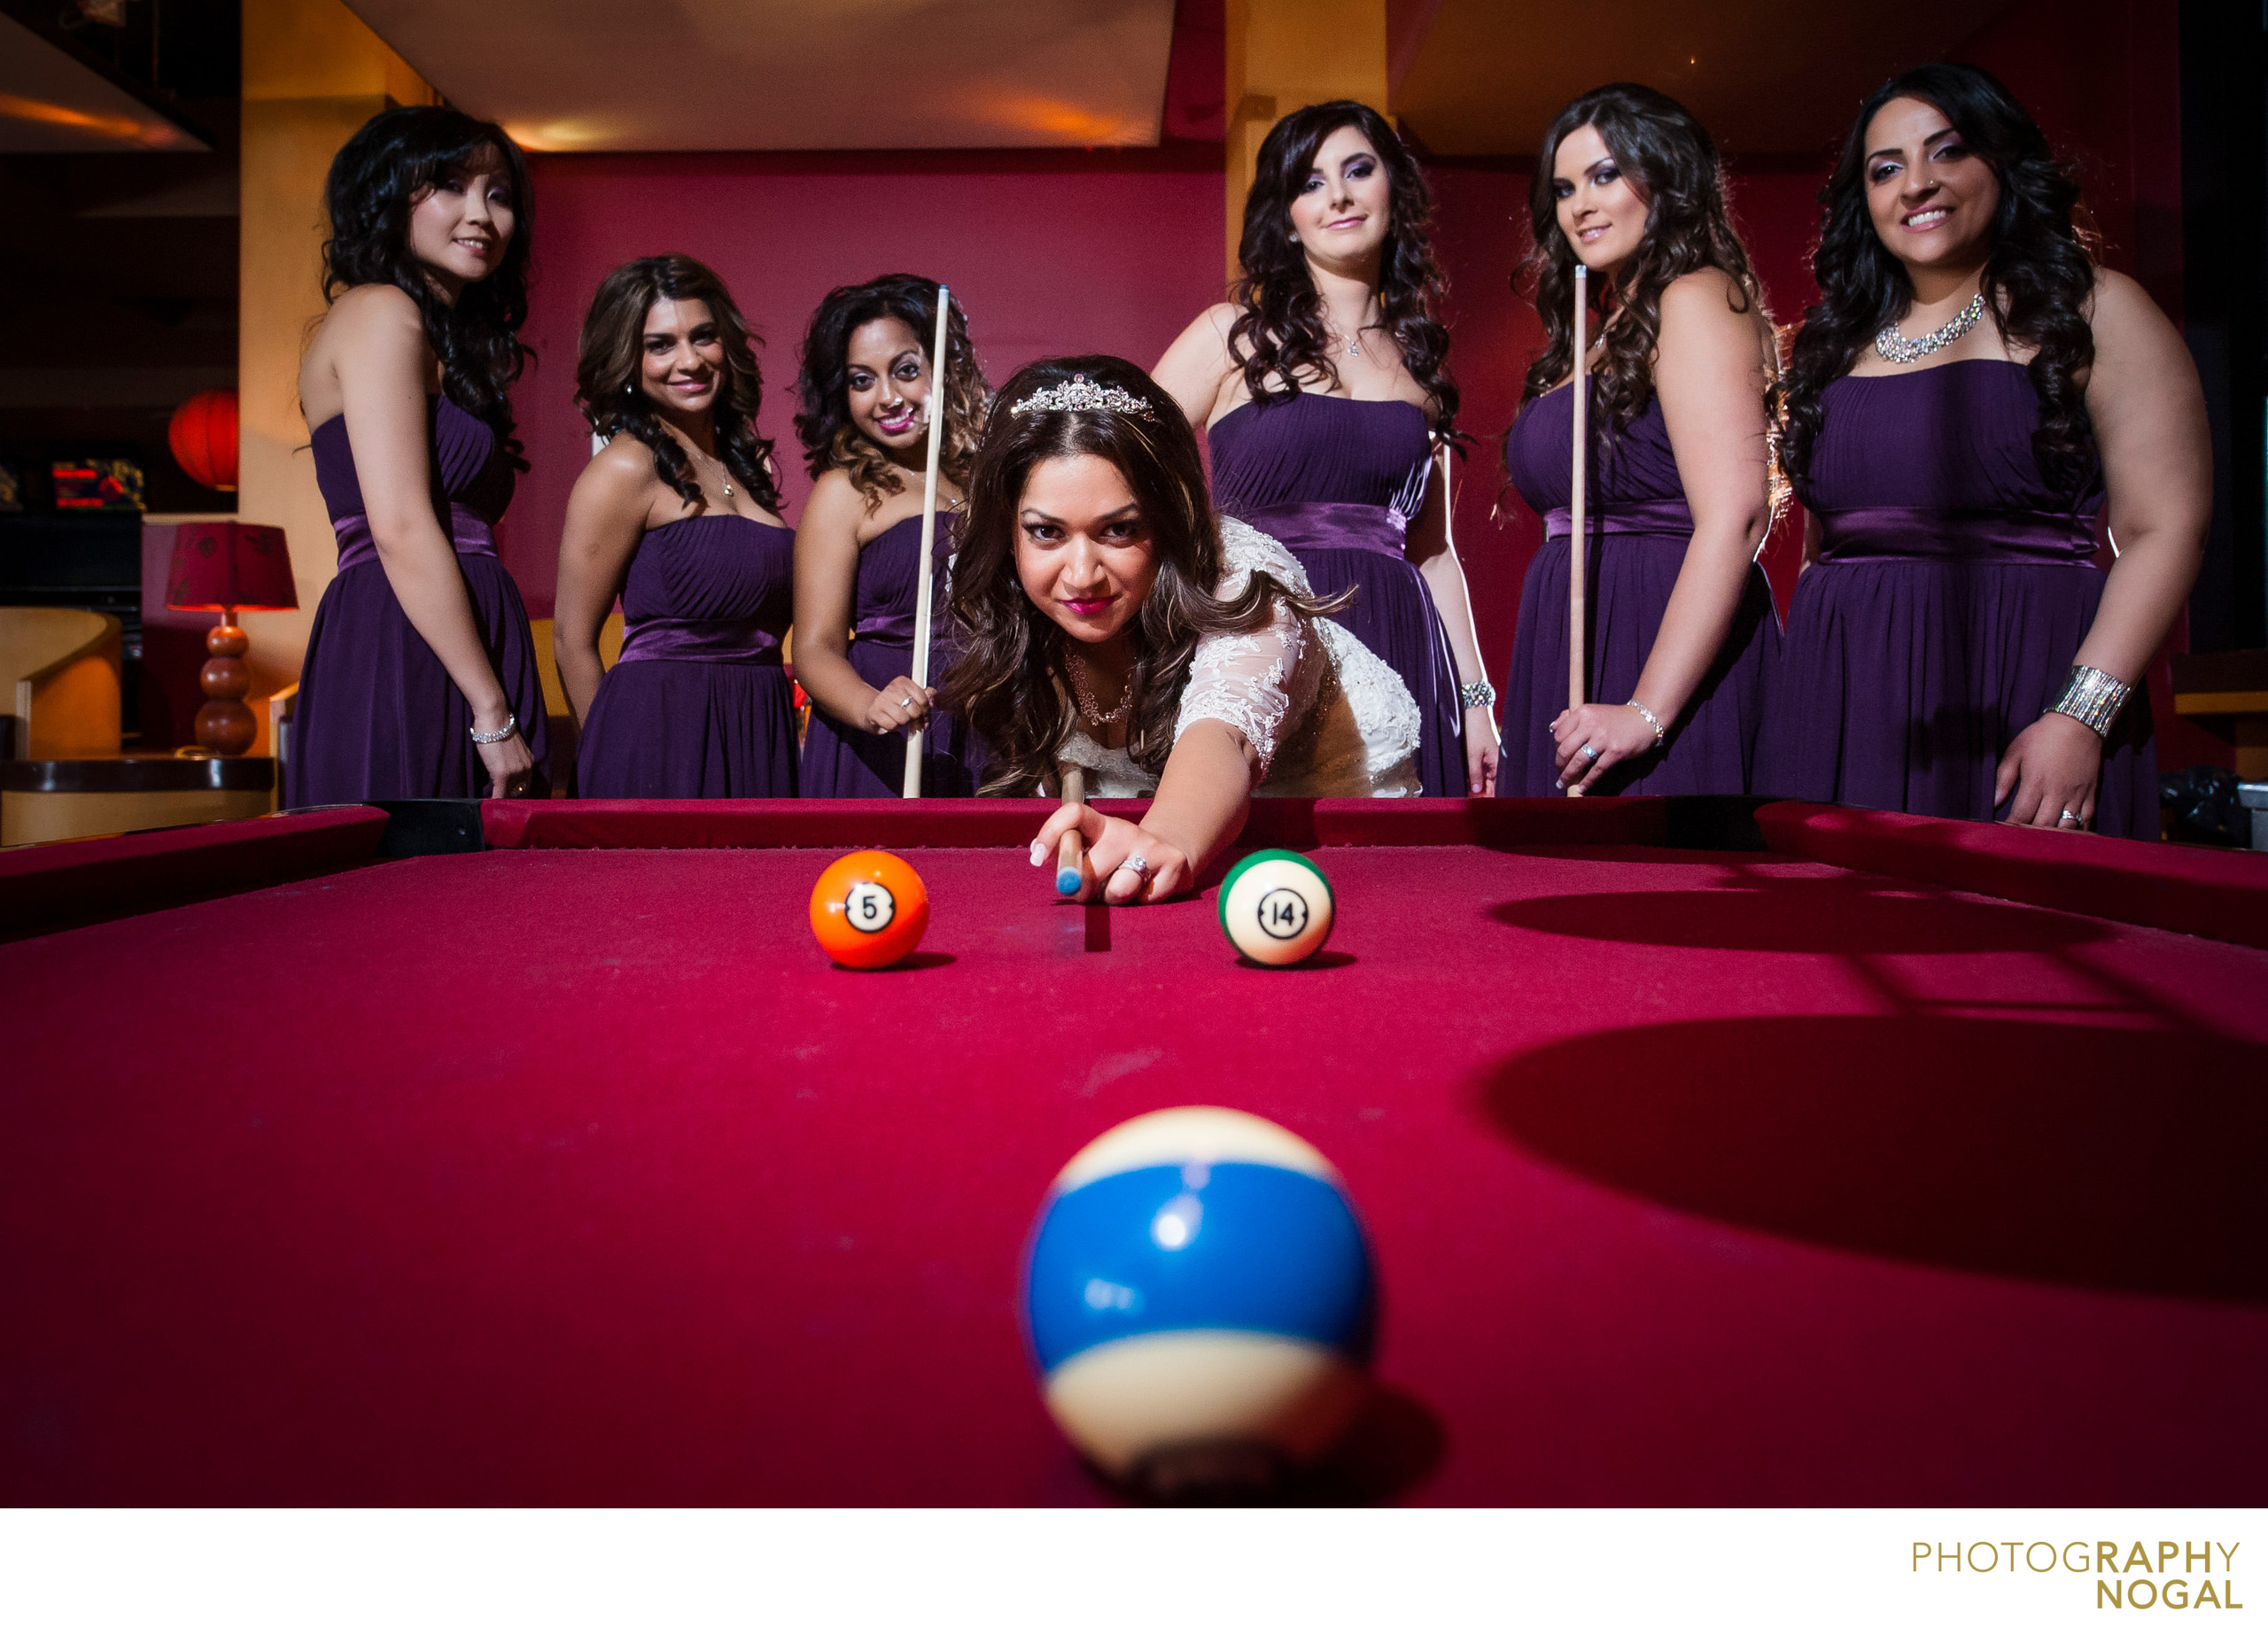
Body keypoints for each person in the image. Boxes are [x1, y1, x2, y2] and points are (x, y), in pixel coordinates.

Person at [1760, 63, 2207, 834]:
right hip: (1840, 698)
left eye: (1949, 152)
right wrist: (1806, 704)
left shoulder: (2096, 310)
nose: (1917, 185)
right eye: (1886, 168)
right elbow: (1819, 550)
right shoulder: (1832, 346)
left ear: (2002, 162)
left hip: (2026, 688)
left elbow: (2165, 529)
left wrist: (2081, 716)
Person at [939, 356, 1421, 906]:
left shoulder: (1242, 576)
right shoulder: (1009, 592)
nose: (1081, 575)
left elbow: (1228, 730)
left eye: (1119, 529)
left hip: (1330, 851)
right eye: (1046, 532)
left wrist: (1166, 837)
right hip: (1146, 843)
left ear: (1170, 519)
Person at [1152, 100, 1495, 796]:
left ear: (1392, 189)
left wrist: (1477, 700)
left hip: (1400, 630)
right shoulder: (1232, 335)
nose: (1337, 194)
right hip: (1265, 626)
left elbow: (1434, 555)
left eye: (1358, 170)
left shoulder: (1421, 364)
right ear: (1285, 215)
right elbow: (1121, 465)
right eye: (1309, 182)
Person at [1500, 83, 1780, 797]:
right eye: (1564, 188)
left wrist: (1646, 708)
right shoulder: (1596, 333)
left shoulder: (1696, 296)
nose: (1579, 205)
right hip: (1570, 642)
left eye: (1604, 175)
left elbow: (1737, 515)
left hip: (1662, 652)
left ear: (1667, 176)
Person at [291, 106, 546, 803]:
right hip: (404, 642)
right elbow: (400, 527)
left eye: (498, 194)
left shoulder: (442, 341)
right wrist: (491, 713)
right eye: (451, 186)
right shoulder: (379, 312)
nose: (482, 215)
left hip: (460, 635)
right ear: (384, 195)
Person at [555, 255, 798, 797]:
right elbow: (572, 641)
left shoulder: (744, 468)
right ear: (627, 360)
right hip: (659, 737)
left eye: (703, 336)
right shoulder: (625, 467)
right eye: (660, 345)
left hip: (758, 725)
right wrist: (613, 763)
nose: (689, 361)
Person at [790, 275, 990, 796]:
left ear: (944, 368)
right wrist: (868, 704)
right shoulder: (845, 491)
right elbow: (814, 648)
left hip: (983, 725)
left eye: (905, 371)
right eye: (861, 380)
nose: (887, 397)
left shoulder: (985, 481)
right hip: (881, 740)